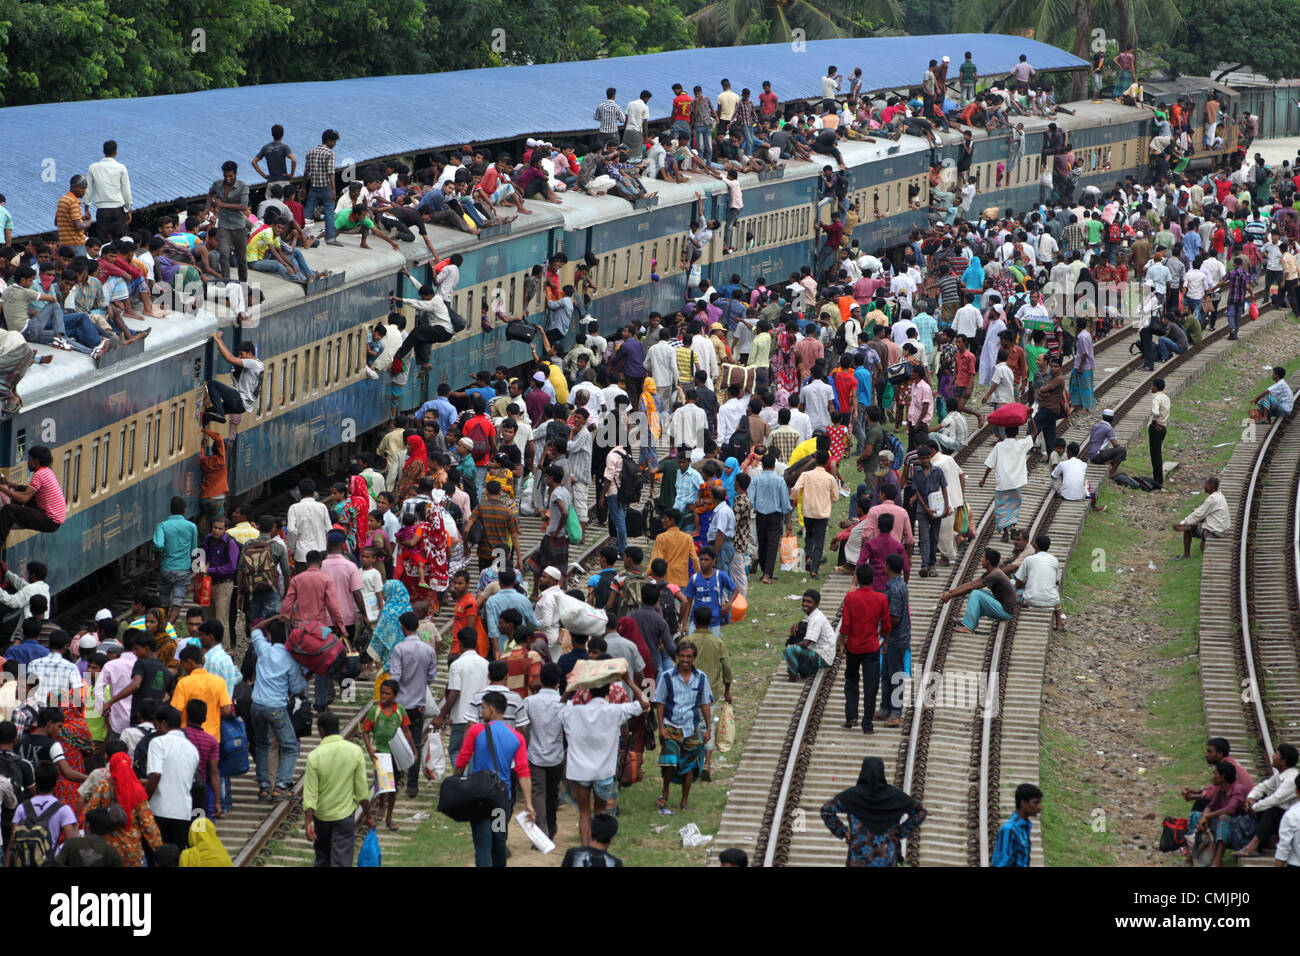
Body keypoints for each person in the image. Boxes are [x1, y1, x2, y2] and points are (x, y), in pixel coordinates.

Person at [560, 669, 650, 845]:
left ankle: (586, 848)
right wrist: (629, 681)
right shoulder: (615, 711)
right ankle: (598, 848)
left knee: (584, 812)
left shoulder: (575, 711)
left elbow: (558, 707)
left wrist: (570, 687)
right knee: (600, 811)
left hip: (580, 771)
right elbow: (645, 704)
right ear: (609, 690)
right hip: (604, 771)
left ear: (588, 690)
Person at [454, 691, 535, 867]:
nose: (481, 712)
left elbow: (462, 760)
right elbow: (523, 772)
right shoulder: (516, 737)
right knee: (498, 841)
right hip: (500, 799)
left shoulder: (476, 731)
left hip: (479, 798)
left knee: (483, 844)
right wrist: (528, 802)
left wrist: (455, 781)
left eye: (483, 708)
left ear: (491, 709)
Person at [819, 755, 926, 867]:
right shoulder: (895, 796)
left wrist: (843, 832)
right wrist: (901, 831)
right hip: (886, 856)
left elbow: (827, 810)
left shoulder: (852, 796)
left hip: (858, 856)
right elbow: (920, 812)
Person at [304, 708, 373, 867]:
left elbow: (310, 794)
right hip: (345, 816)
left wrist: (308, 822)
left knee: (322, 858)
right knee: (341, 860)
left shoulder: (315, 756)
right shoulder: (354, 751)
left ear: (321, 730)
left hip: (322, 817)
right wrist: (368, 815)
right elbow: (362, 790)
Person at [248, 618, 307, 802]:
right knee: (289, 747)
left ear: (270, 635)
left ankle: (264, 787)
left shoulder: (263, 649)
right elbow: (298, 689)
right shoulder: (290, 659)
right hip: (276, 708)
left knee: (262, 744)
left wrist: (275, 617)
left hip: (256, 705)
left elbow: (255, 629)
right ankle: (280, 786)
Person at [654, 641, 712, 814]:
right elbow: (660, 703)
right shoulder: (666, 677)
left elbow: (705, 704)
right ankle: (665, 791)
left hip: (691, 727)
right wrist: (661, 728)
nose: (685, 660)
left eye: (688, 657)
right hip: (671, 725)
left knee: (690, 766)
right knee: (669, 761)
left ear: (694, 658)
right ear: (677, 657)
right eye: (682, 656)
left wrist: (708, 729)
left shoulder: (701, 678)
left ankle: (684, 801)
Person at [840, 563, 888, 732]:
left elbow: (845, 625)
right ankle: (867, 723)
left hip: (853, 646)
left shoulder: (850, 598)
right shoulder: (881, 599)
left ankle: (851, 716)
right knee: (871, 685)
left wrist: (841, 643)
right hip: (872, 647)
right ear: (873, 579)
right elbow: (886, 625)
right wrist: (885, 641)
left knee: (851, 680)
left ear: (858, 579)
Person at [144, 705, 200, 847]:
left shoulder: (158, 743)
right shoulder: (191, 748)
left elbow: (156, 774)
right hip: (183, 812)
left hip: (160, 810)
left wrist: (144, 800)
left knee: (158, 855)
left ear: (163, 724)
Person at [1239, 744, 1299, 857]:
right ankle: (1270, 840)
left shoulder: (1292, 779)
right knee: (1261, 802)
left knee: (1272, 810)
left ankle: (1253, 846)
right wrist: (1251, 799)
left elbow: (1275, 799)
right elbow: (1263, 787)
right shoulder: (1279, 776)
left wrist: (1254, 807)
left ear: (1283, 760)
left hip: (1293, 822)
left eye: (1276, 754)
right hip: (1284, 820)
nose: (1273, 756)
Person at [0, 445, 65, 545]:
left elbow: (24, 499)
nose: (28, 462)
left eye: (29, 459)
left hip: (50, 520)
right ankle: (13, 518)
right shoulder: (47, 471)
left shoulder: (39, 475)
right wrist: (8, 484)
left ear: (36, 461)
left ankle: (8, 521)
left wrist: (3, 489)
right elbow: (26, 490)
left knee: (8, 510)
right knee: (22, 489)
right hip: (54, 517)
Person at [942, 548, 1017, 635]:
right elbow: (971, 583)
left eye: (983, 558)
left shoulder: (995, 575)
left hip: (1006, 611)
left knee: (976, 593)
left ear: (988, 561)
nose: (981, 560)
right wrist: (950, 592)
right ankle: (969, 621)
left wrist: (950, 596)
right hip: (1001, 606)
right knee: (978, 592)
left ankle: (968, 627)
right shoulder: (991, 572)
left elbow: (971, 588)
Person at [981, 427, 1034, 541]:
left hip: (1002, 482)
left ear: (1005, 432)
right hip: (1015, 482)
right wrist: (1030, 417)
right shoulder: (1021, 444)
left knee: (1001, 507)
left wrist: (984, 479)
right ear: (1017, 433)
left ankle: (1005, 531)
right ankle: (1012, 526)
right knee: (1014, 505)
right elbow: (1034, 433)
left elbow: (990, 464)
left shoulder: (999, 446)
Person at [1172, 476, 1231, 559]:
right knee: (1194, 523)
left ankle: (1186, 555)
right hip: (1223, 528)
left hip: (1215, 530)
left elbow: (1198, 515)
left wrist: (1182, 522)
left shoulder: (1212, 499)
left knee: (1188, 530)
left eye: (1206, 484)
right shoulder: (1220, 496)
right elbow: (1203, 511)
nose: (1204, 486)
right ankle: (1187, 527)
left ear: (1210, 486)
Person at [783, 589, 836, 680]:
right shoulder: (812, 616)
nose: (805, 604)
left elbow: (806, 643)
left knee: (790, 650)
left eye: (809, 602)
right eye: (804, 601)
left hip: (823, 657)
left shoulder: (816, 619)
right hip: (820, 653)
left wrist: (792, 648)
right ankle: (804, 670)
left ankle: (792, 677)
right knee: (793, 649)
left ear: (817, 604)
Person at [992, 782, 1043, 866]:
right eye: (1036, 803)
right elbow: (1002, 862)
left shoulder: (1024, 828)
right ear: (1023, 803)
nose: (1039, 807)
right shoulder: (1009, 829)